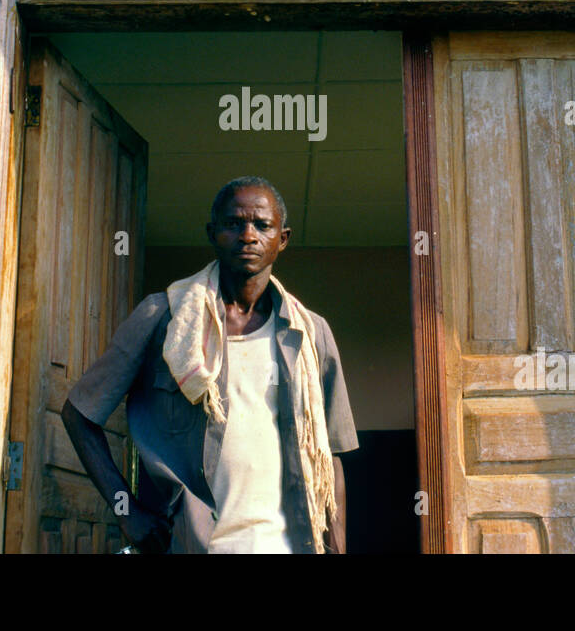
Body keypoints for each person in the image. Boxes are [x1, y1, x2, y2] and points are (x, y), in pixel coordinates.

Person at [61, 176, 357, 554]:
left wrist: (336, 547)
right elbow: (79, 414)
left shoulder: (311, 334)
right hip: (193, 544)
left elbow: (329, 454)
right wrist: (127, 512)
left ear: (282, 239)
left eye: (262, 225)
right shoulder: (163, 318)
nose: (248, 235)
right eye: (233, 224)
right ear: (212, 233)